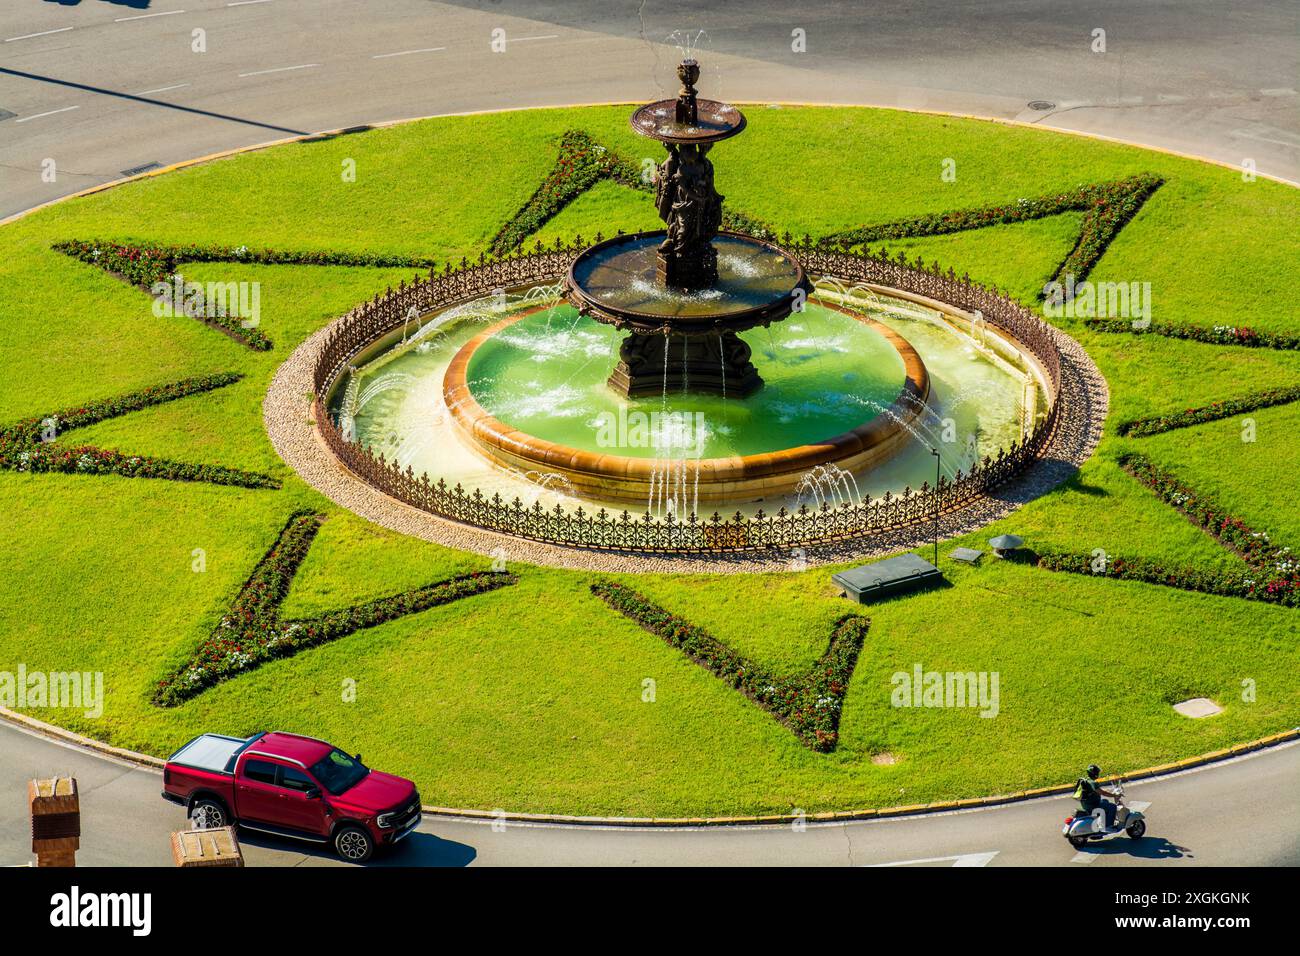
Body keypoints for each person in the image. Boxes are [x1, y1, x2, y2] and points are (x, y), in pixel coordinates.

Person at [1074, 764, 1120, 829]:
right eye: (1097, 772)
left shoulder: (1086, 780)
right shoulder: (1093, 783)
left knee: (1105, 801)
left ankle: (1101, 822)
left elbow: (1097, 791)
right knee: (1113, 807)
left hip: (1086, 805)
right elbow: (1103, 793)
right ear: (1095, 774)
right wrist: (1114, 795)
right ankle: (1108, 826)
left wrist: (1109, 792)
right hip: (1093, 806)